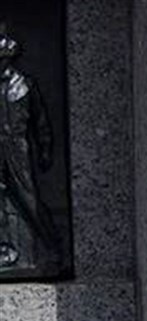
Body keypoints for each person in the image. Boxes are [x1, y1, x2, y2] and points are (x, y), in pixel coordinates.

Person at [0, 31, 59, 273]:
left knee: (28, 198)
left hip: (16, 146)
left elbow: (40, 121)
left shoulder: (24, 85)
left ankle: (52, 245)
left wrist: (45, 149)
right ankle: (6, 249)